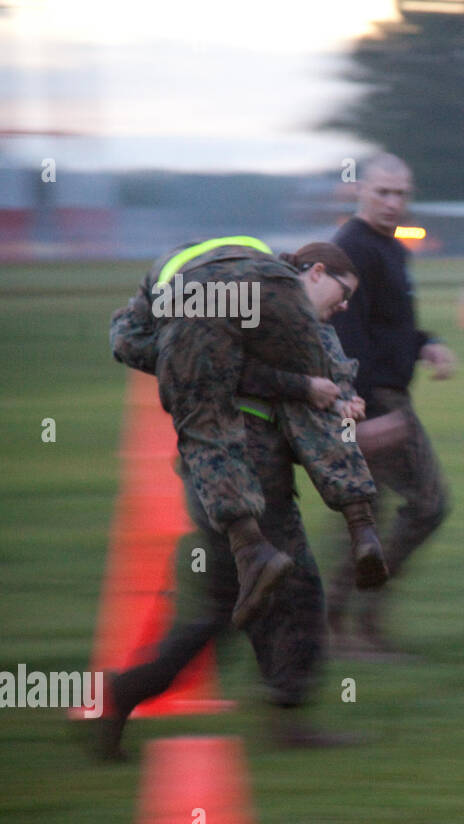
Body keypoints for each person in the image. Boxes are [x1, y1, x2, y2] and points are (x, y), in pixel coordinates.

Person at [109, 238, 388, 629]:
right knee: (314, 398)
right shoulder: (281, 280)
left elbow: (127, 340)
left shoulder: (164, 290)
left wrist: (184, 367)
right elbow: (322, 356)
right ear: (317, 272)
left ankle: (252, 549)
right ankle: (362, 527)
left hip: (184, 298)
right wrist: (333, 393)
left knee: (205, 424)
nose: (345, 307)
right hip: (210, 295)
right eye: (345, 295)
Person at [96, 373, 358, 757]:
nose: (344, 307)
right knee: (296, 593)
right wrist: (308, 391)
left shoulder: (217, 321)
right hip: (243, 483)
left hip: (219, 477)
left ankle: (126, 692)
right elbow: (248, 368)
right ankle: (290, 719)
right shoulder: (244, 322)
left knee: (222, 611)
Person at [328, 154, 456, 653]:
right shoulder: (351, 249)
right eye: (383, 191)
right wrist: (366, 412)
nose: (393, 202)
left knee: (364, 515)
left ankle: (339, 622)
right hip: (373, 399)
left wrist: (427, 342)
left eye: (401, 193)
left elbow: (390, 327)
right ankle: (358, 617)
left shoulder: (392, 249)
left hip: (383, 393)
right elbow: (344, 335)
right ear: (359, 189)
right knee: (428, 504)